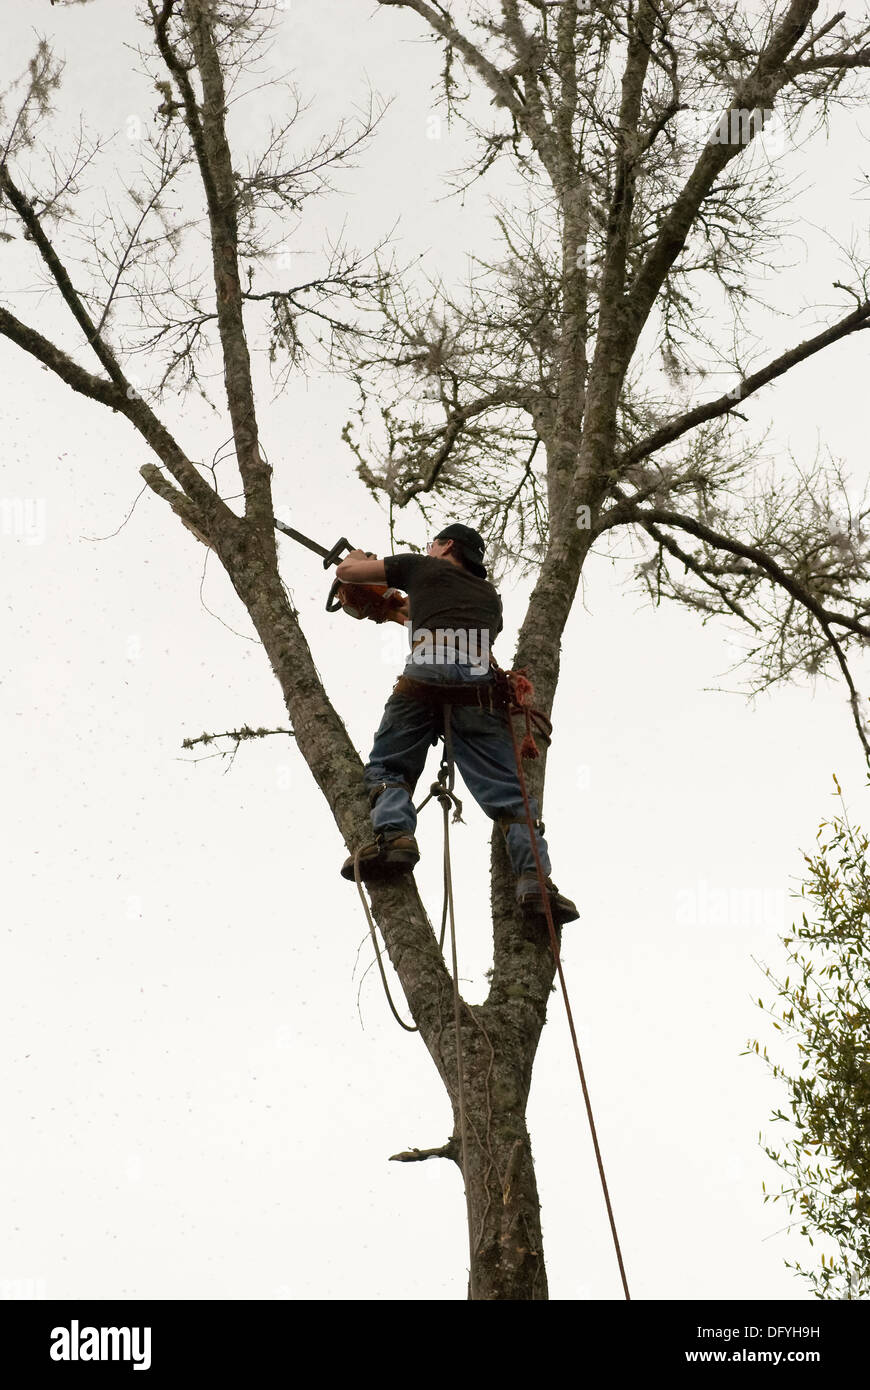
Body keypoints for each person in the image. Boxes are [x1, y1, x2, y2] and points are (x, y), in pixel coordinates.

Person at [336, 523, 579, 926]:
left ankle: (396, 837)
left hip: (425, 674)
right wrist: (393, 606)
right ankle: (535, 879)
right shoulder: (488, 598)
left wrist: (357, 558)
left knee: (389, 765)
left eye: (433, 543)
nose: (428, 548)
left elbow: (348, 574)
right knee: (511, 795)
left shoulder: (418, 567)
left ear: (447, 545)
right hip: (477, 687)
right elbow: (440, 619)